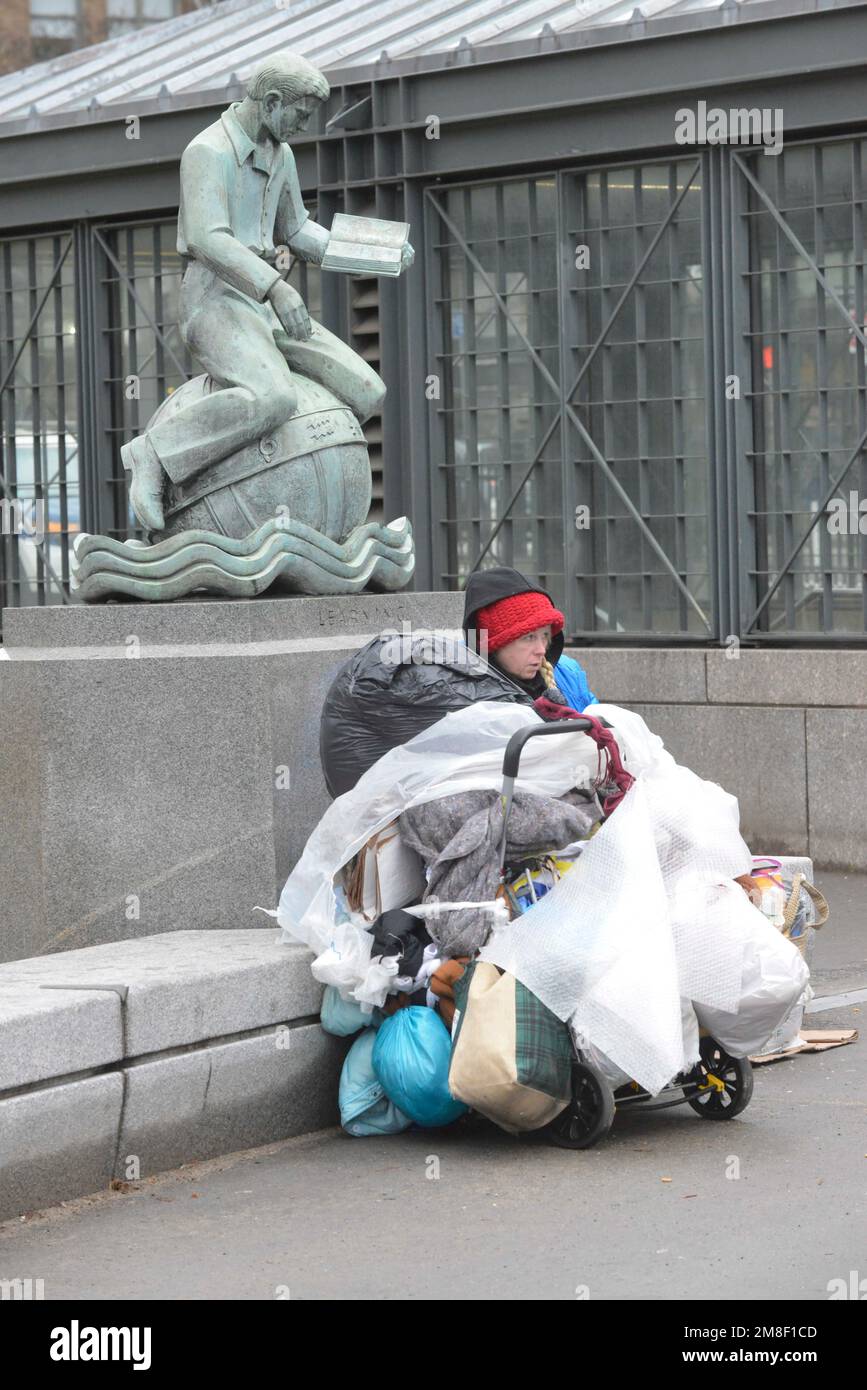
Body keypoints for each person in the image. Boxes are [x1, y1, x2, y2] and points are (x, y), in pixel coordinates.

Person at [462, 566, 596, 712]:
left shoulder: (568, 672)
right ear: (492, 645)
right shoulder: (458, 689)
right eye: (529, 637)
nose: (541, 650)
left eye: (545, 636)